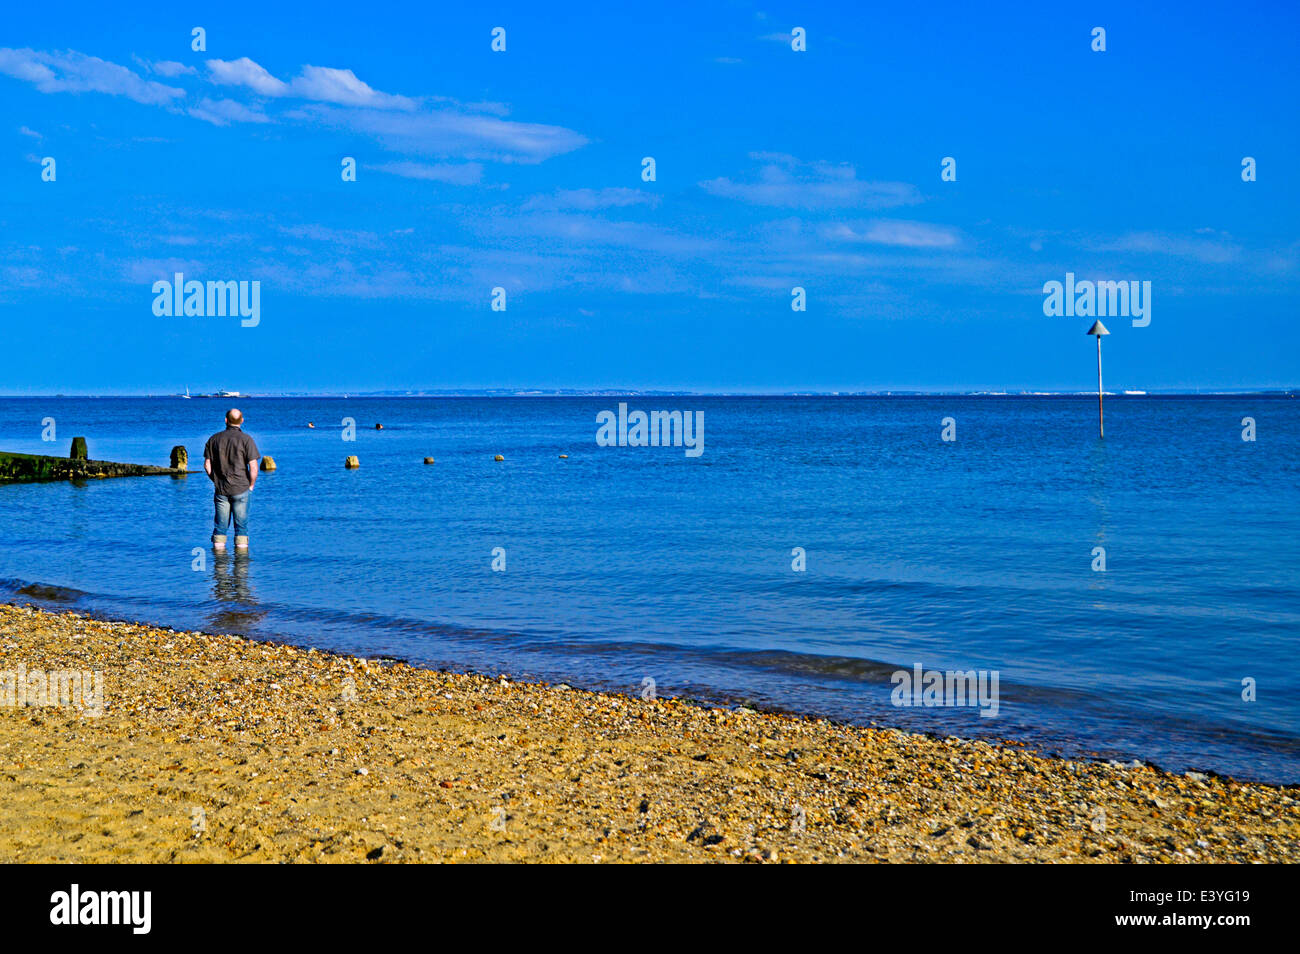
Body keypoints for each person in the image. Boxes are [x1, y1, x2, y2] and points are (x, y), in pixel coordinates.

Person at [203, 408, 260, 550]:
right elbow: (253, 468)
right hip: (241, 488)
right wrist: (251, 486)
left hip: (221, 489)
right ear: (242, 421)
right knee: (241, 530)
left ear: (226, 420)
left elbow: (207, 465)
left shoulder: (214, 439)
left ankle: (219, 568)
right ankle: (241, 570)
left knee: (220, 529)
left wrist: (215, 480)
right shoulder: (247, 439)